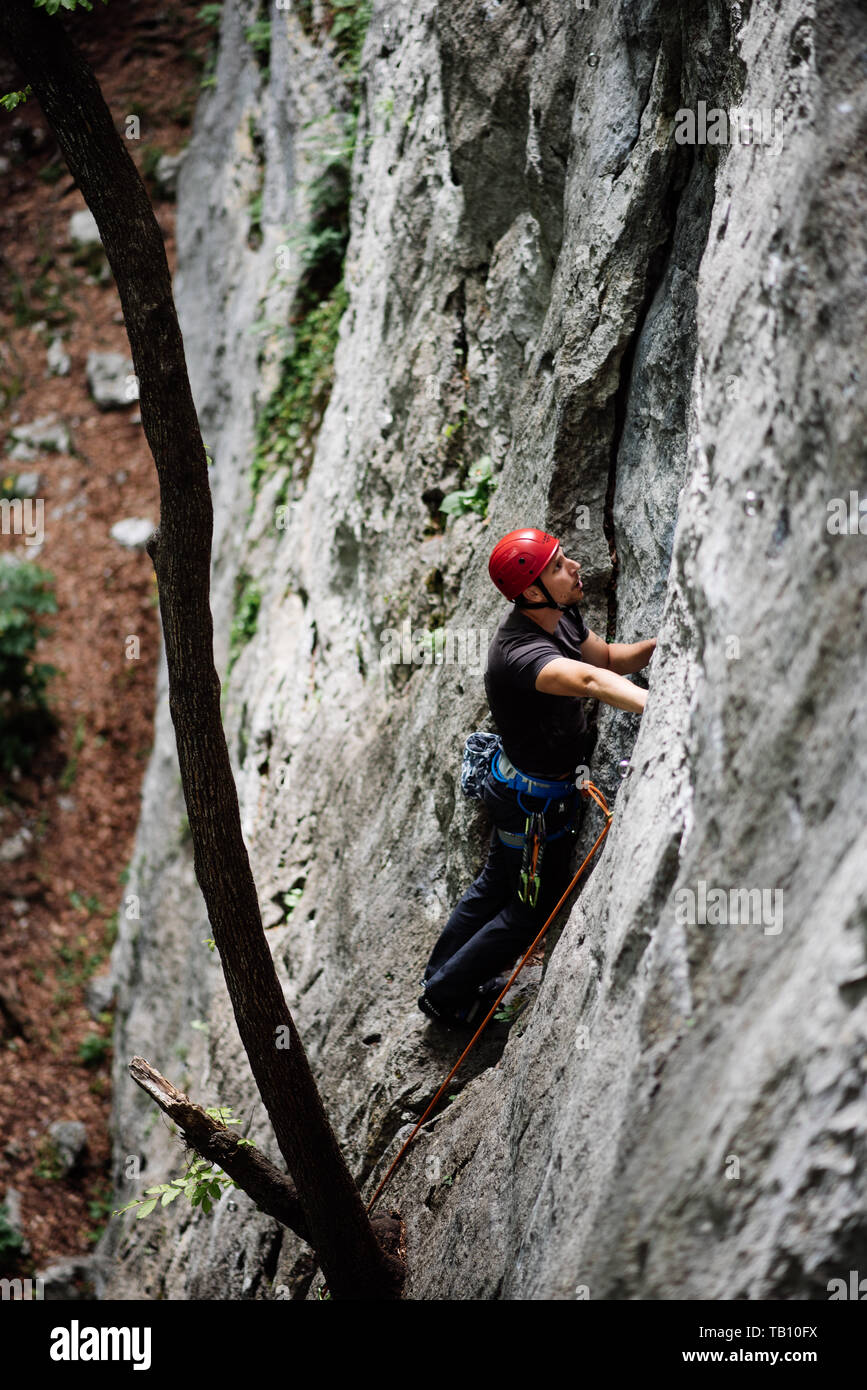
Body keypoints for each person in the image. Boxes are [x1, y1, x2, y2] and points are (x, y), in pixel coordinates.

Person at [418, 527, 656, 1027]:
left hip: (519, 788)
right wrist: (661, 706)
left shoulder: (561, 615)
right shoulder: (519, 654)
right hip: (534, 807)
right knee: (530, 908)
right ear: (530, 591)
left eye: (563, 558)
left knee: (495, 883)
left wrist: (665, 643)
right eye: (557, 565)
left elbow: (607, 659)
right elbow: (590, 681)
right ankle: (444, 995)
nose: (573, 567)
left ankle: (439, 976)